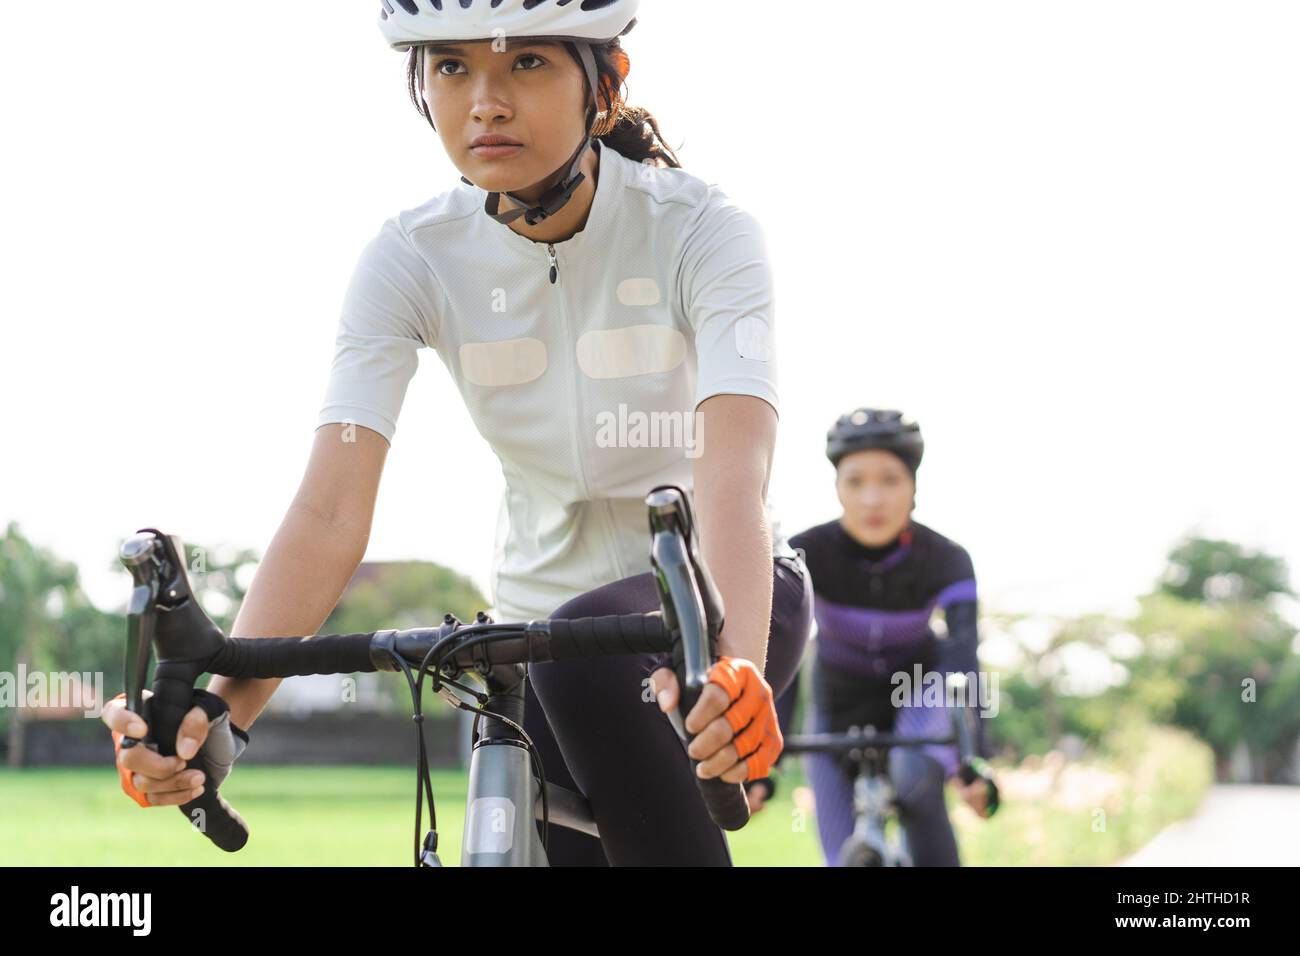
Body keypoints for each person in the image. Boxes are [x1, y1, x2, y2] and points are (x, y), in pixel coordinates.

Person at [100, 0, 812, 866]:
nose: (486, 102)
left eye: (527, 64)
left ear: (607, 86)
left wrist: (730, 671)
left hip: (720, 600)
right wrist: (217, 717)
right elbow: (330, 511)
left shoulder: (706, 230)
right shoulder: (409, 257)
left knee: (591, 685)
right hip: (530, 637)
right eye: (451, 67)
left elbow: (732, 473)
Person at [764, 408, 996, 865]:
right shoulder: (805, 553)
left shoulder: (947, 559)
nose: (872, 498)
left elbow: (963, 659)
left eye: (889, 480)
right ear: (837, 488)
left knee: (914, 778)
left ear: (913, 486)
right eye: (855, 482)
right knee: (839, 855)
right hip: (835, 703)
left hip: (916, 691)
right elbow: (782, 658)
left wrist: (975, 757)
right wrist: (766, 761)